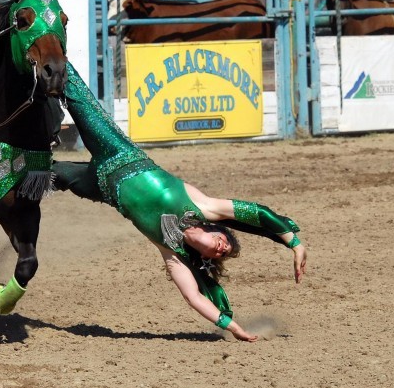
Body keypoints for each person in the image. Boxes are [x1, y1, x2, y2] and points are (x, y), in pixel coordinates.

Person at [47, 63, 307, 342]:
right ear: (217, 229)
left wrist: (231, 325)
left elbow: (194, 296)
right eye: (225, 241)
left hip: (103, 187)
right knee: (74, 92)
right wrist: (293, 242)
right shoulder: (204, 207)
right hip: (117, 150)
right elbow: (255, 213)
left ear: (206, 259)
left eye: (221, 254)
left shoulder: (173, 254)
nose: (222, 247)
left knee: (45, 174)